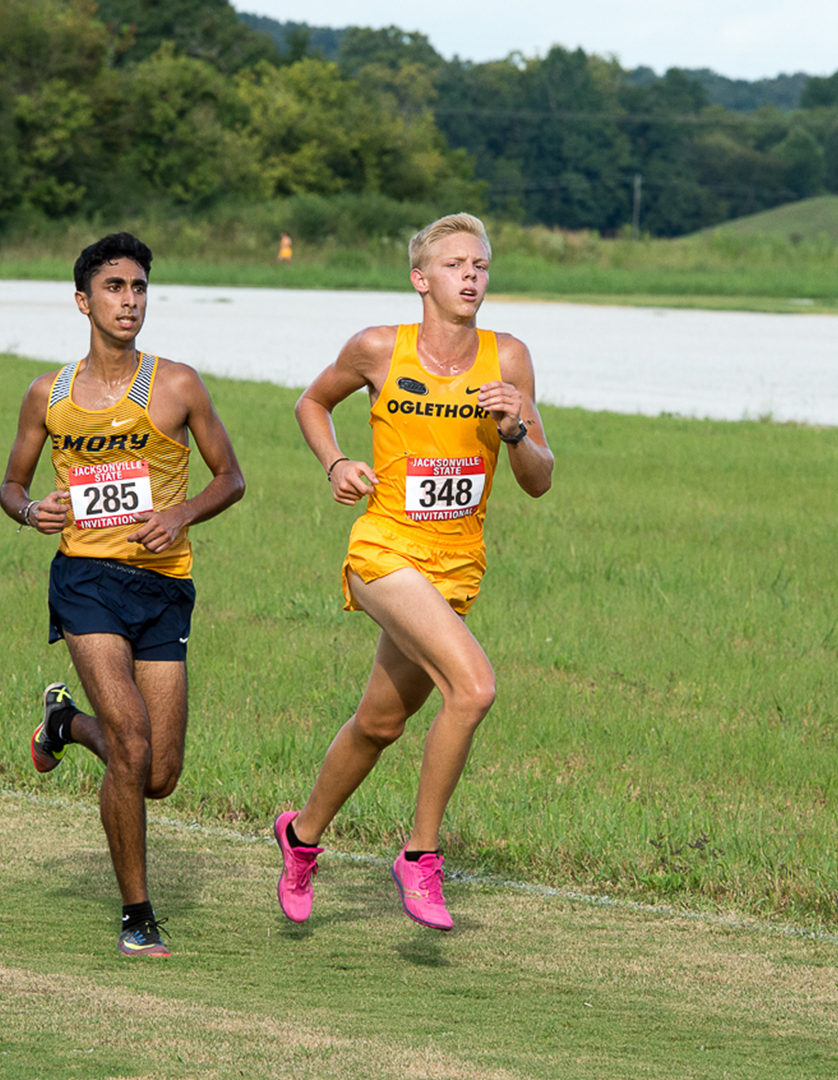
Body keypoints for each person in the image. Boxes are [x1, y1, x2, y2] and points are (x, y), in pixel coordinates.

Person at [271, 213, 554, 931]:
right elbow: (311, 402)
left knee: (379, 723)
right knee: (474, 687)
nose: (471, 276)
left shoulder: (509, 359)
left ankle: (300, 836)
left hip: (455, 566)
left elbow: (540, 479)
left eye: (482, 265)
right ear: (420, 279)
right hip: (383, 550)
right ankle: (420, 856)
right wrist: (336, 461)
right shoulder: (376, 348)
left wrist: (515, 428)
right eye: (456, 264)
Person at [0, 232, 246, 958]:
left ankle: (65, 725)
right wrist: (28, 511)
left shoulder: (178, 385)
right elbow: (11, 485)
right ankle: (138, 914)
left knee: (159, 774)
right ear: (83, 301)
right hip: (86, 582)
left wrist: (182, 513)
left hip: (164, 588)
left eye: (139, 288)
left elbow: (230, 477)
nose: (129, 300)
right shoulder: (50, 395)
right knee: (132, 747)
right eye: (114, 288)